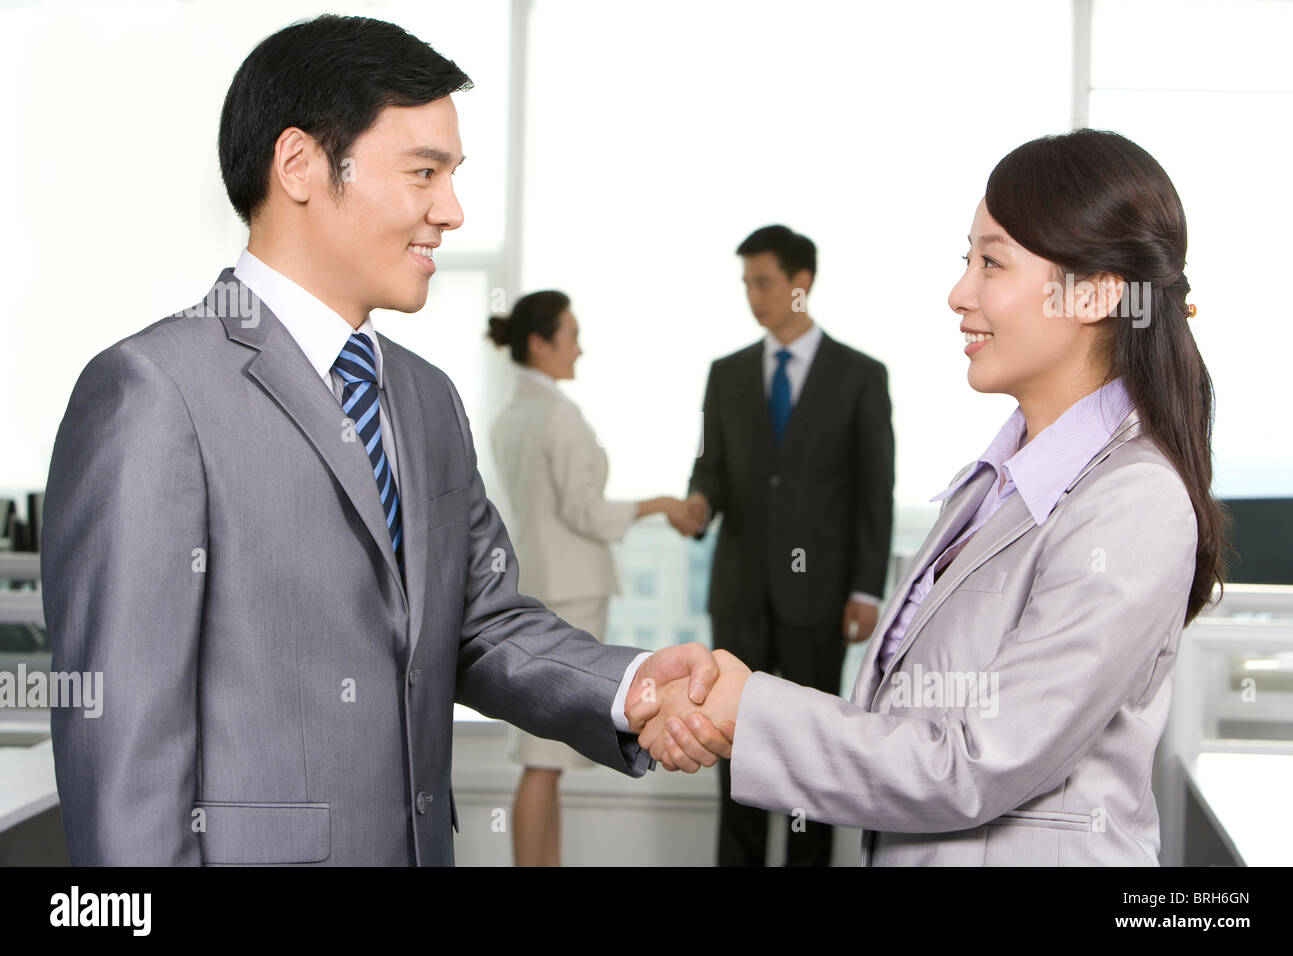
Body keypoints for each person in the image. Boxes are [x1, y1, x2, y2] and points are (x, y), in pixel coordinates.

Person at [39, 14, 718, 867]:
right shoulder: (152, 392)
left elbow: (482, 624)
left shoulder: (427, 398)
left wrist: (636, 687)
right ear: (300, 166)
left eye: (455, 176)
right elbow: (123, 758)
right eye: (424, 173)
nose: (453, 211)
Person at [640, 128, 1229, 867]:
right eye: (966, 261)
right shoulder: (993, 482)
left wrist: (751, 708)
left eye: (992, 262)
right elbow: (903, 724)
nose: (960, 294)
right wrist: (742, 699)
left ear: (1099, 293)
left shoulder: (1134, 503)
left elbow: (976, 761)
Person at [680, 225, 895, 866]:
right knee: (731, 749)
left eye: (765, 282)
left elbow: (872, 491)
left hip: (820, 601)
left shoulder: (860, 376)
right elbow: (709, 468)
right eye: (747, 283)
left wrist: (865, 588)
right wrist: (698, 502)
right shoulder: (727, 374)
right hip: (740, 596)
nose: (754, 296)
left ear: (802, 284)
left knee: (809, 758)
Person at [486, 290, 701, 866]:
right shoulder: (557, 414)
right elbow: (586, 511)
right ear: (540, 343)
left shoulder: (513, 415)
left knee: (543, 762)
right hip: (570, 593)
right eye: (571, 335)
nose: (579, 348)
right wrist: (659, 504)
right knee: (543, 761)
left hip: (536, 583)